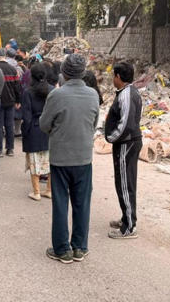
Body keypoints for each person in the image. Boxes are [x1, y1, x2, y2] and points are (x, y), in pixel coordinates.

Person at [39, 54, 99, 264]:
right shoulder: (93, 94)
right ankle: (80, 247)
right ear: (83, 72)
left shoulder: (56, 95)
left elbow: (44, 124)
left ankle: (62, 249)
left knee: (60, 203)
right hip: (83, 157)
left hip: (60, 158)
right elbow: (94, 124)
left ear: (63, 72)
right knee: (82, 203)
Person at [104, 62, 143, 239]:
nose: (113, 79)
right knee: (125, 182)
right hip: (128, 142)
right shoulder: (130, 91)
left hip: (126, 144)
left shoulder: (127, 94)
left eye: (114, 76)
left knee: (125, 183)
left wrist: (111, 138)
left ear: (118, 77)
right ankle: (126, 217)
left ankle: (129, 227)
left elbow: (125, 124)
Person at [22, 63, 53, 201]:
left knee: (34, 161)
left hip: (34, 128)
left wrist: (25, 131)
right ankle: (49, 190)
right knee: (50, 160)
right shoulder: (52, 90)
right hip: (50, 129)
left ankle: (36, 192)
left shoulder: (28, 92)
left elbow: (27, 116)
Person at [0, 49, 21, 157]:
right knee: (9, 126)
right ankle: (10, 149)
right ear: (5, 56)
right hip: (10, 101)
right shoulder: (13, 69)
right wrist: (18, 100)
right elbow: (17, 87)